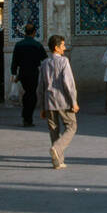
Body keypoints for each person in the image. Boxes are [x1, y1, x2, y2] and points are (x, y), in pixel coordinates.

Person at [39, 35, 79, 169]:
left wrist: (42, 106)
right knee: (72, 126)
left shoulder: (44, 63)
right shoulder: (63, 61)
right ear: (56, 47)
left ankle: (58, 161)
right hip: (63, 100)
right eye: (63, 45)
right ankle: (57, 148)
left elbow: (41, 86)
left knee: (54, 129)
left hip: (49, 101)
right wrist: (73, 101)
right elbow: (69, 83)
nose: (65, 48)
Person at [10, 23, 48, 127]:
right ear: (34, 33)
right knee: (31, 94)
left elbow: (14, 61)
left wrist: (14, 74)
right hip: (33, 72)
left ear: (25, 32)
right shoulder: (37, 45)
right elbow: (45, 59)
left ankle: (26, 116)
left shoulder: (19, 45)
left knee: (27, 92)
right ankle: (28, 117)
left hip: (22, 73)